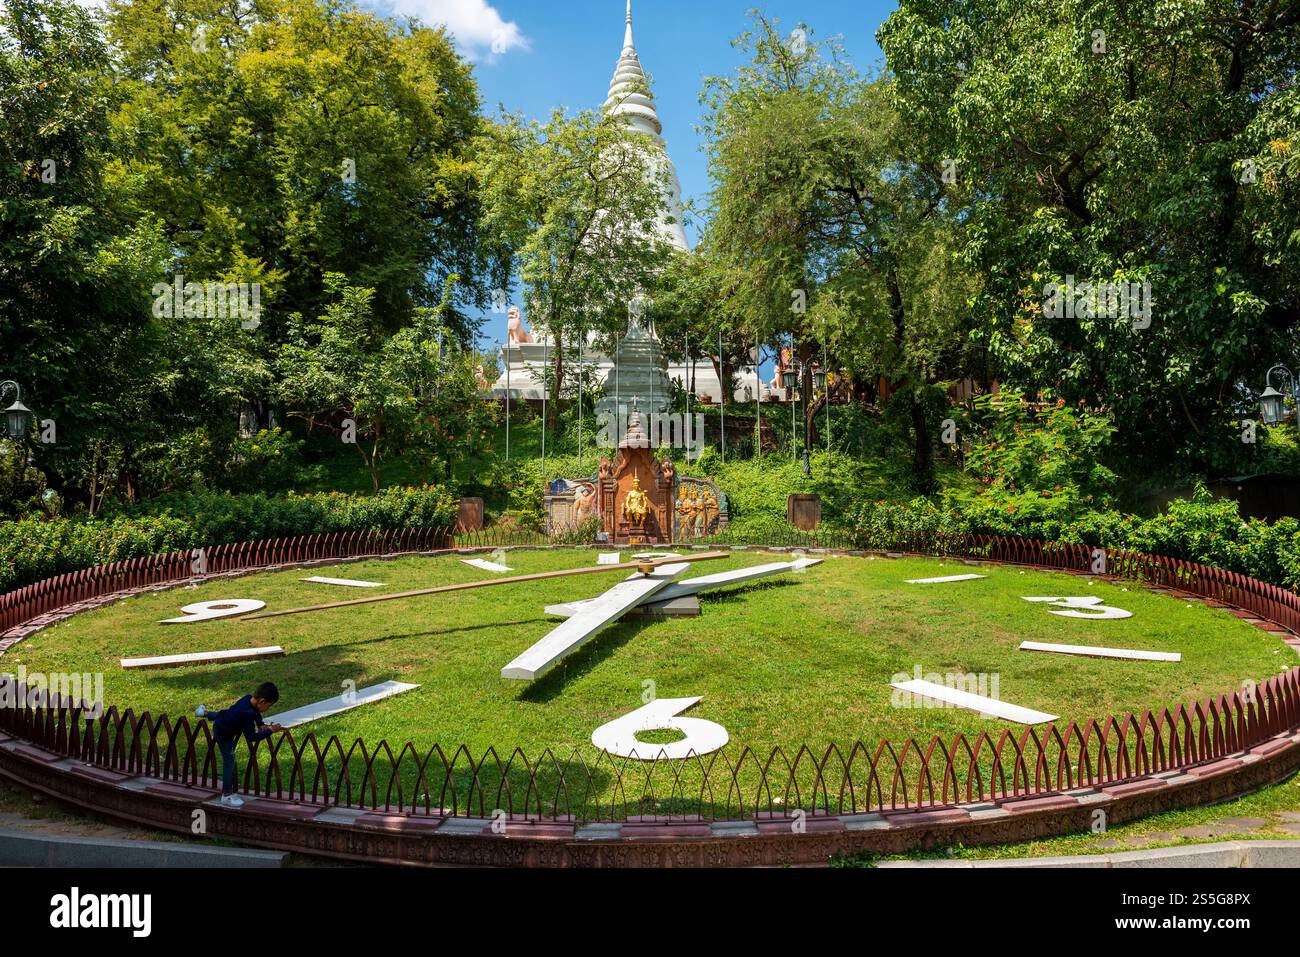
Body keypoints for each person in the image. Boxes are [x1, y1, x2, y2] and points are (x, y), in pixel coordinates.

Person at [195, 682, 284, 808]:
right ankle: (226, 795)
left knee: (223, 714)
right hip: (223, 732)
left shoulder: (248, 699)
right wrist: (270, 731)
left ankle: (203, 713)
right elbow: (251, 737)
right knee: (229, 759)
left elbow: (256, 713)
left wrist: (260, 724)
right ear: (262, 701)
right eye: (269, 706)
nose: (268, 709)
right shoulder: (246, 715)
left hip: (226, 717)